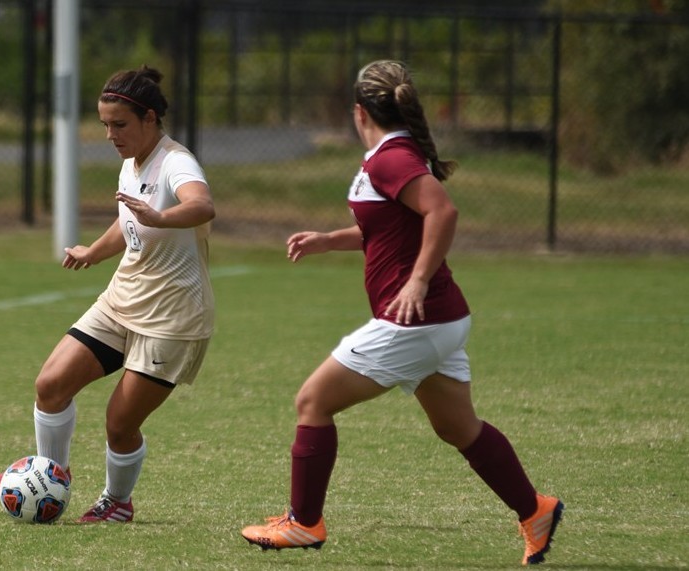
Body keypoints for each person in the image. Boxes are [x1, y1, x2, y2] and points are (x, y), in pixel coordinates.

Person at [240, 60, 563, 566]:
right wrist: (329, 239)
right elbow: (392, 227)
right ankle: (535, 509)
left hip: (415, 320)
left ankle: (304, 523)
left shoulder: (389, 159)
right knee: (459, 429)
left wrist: (415, 280)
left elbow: (442, 211)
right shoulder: (393, 155)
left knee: (312, 401)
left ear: (358, 111)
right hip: (441, 320)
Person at [0, 65, 215, 523]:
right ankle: (51, 473)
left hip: (171, 317)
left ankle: (117, 502)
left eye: (120, 124)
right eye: (105, 125)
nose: (111, 134)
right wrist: (94, 251)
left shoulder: (176, 161)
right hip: (121, 300)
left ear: (150, 118)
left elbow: (201, 205)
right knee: (51, 385)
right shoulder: (131, 161)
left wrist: (161, 218)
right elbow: (128, 220)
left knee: (119, 424)